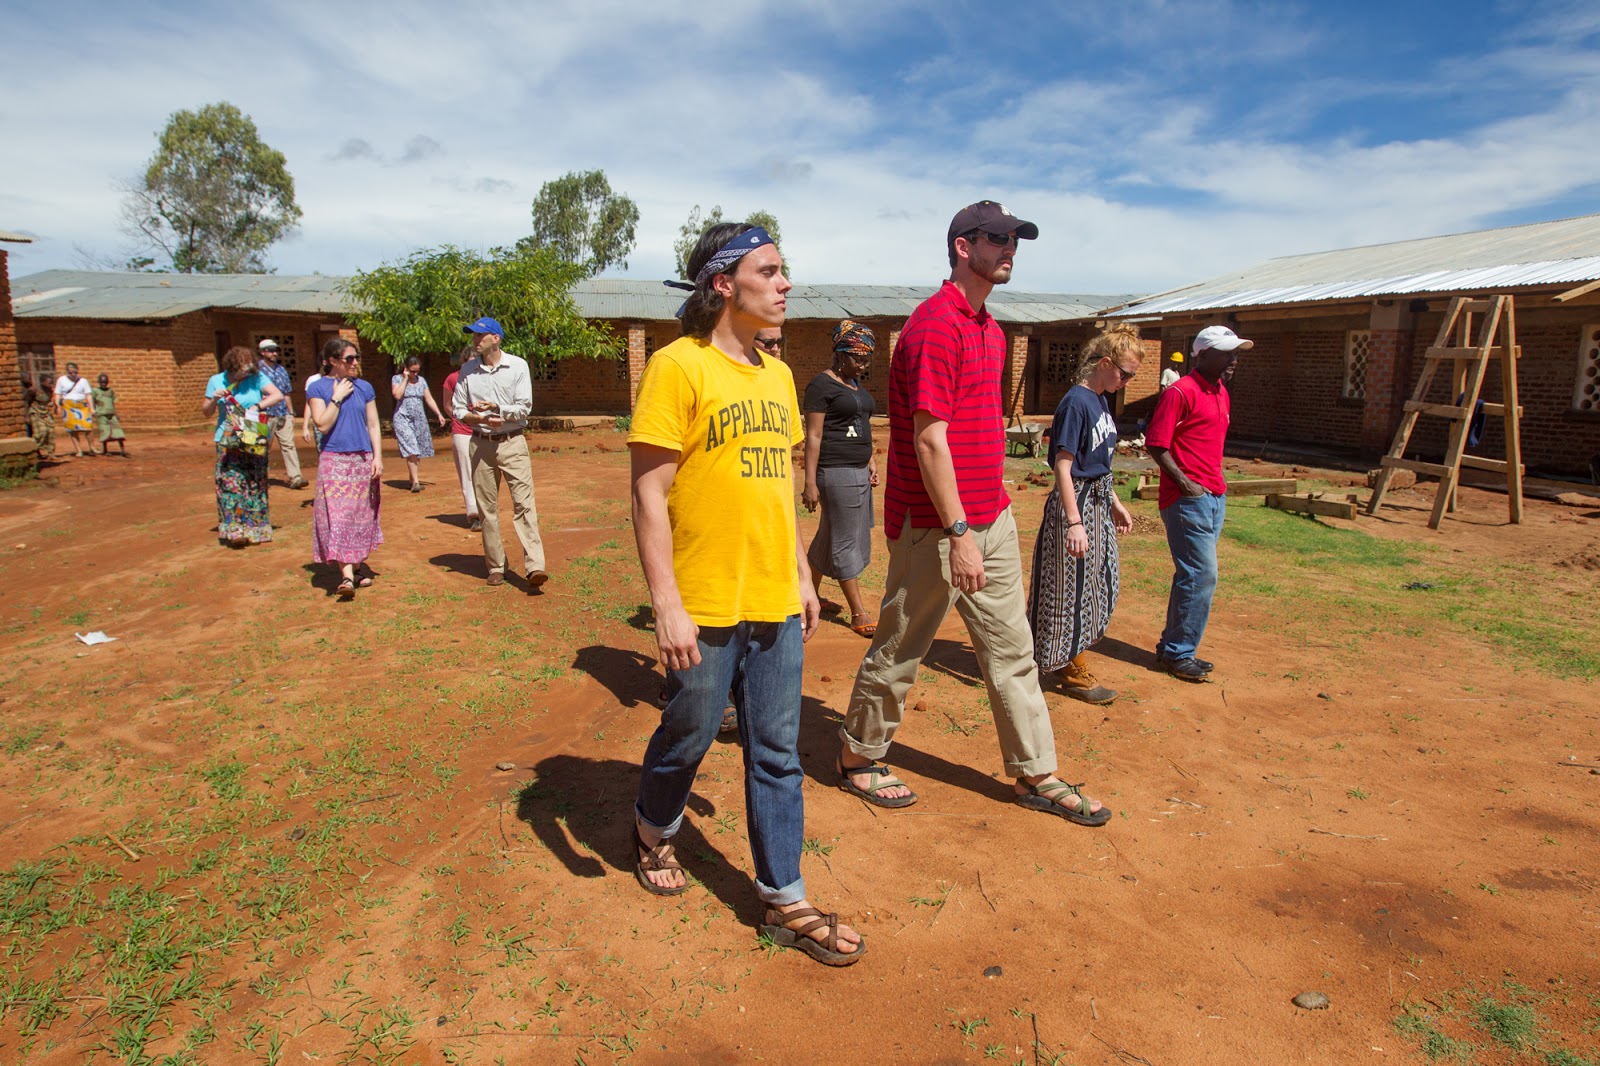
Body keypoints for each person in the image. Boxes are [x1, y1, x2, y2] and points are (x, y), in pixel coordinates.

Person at [628, 221, 863, 966]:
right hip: (702, 596)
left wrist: (798, 571)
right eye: (771, 270)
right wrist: (665, 601)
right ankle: (651, 825)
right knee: (691, 731)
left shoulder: (778, 375)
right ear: (725, 284)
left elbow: (776, 489)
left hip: (771, 596)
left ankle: (783, 897)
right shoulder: (677, 367)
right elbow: (647, 490)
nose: (786, 282)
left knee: (776, 750)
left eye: (785, 269)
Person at [836, 200, 1109, 828]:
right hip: (938, 525)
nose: (1011, 248)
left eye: (1016, 240)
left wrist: (987, 516)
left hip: (992, 518)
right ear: (964, 246)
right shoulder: (935, 325)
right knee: (903, 644)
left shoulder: (989, 327)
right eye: (998, 239)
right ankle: (857, 755)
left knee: (1013, 652)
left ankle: (1036, 774)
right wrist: (959, 530)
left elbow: (975, 431)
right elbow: (930, 440)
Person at [1027, 326, 1141, 705]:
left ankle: (1065, 656)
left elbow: (1099, 463)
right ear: (1105, 363)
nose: (1126, 382)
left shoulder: (1101, 400)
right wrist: (1074, 521)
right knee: (1066, 589)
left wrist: (1115, 503)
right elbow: (1064, 464)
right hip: (1074, 505)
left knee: (1096, 583)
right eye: (1124, 374)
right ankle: (1067, 664)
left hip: (1095, 502)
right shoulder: (1076, 402)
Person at [1145, 325, 1252, 682]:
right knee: (1201, 575)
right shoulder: (1180, 391)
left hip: (1213, 497)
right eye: (1226, 353)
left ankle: (1173, 647)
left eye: (1235, 353)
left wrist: (1212, 490)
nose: (1233, 359)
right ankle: (1179, 654)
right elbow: (1157, 444)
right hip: (1186, 499)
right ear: (1202, 354)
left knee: (1191, 576)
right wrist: (1187, 484)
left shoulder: (1220, 391)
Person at [451, 317, 548, 591]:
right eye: (472, 336)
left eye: (480, 335)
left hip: (512, 442)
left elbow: (524, 407)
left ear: (496, 338)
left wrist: (497, 409)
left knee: (523, 504)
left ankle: (535, 566)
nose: (475, 340)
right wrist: (474, 417)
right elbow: (458, 409)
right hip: (480, 443)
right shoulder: (467, 371)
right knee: (486, 508)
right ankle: (495, 565)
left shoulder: (517, 366)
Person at [801, 319, 880, 637]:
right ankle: (858, 612)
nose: (863, 365)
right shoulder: (821, 385)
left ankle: (807, 594)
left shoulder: (854, 385)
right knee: (845, 541)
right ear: (840, 353)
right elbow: (814, 435)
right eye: (857, 358)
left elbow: (861, 424)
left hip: (858, 470)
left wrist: (871, 459)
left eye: (866, 359)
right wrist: (809, 482)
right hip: (835, 473)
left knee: (829, 537)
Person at [306, 338, 384, 599]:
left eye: (356, 357)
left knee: (359, 517)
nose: (355, 363)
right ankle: (347, 576)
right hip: (334, 461)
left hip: (362, 459)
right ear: (331, 361)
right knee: (338, 518)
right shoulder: (318, 388)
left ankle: (358, 568)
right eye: (349, 359)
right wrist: (337, 398)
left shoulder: (365, 387)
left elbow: (373, 424)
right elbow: (323, 424)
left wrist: (377, 457)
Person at [203, 346, 285, 547]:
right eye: (242, 368)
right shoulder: (216, 380)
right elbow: (206, 411)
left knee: (254, 481)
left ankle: (256, 529)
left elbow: (277, 395)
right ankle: (235, 530)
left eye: (248, 368)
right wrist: (214, 398)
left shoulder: (256, 378)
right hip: (226, 436)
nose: (246, 372)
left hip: (251, 432)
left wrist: (257, 407)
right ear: (232, 366)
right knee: (230, 483)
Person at [391, 355, 447, 492]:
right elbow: (397, 395)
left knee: (418, 450)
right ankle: (415, 482)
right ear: (406, 368)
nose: (415, 374)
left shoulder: (421, 381)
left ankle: (412, 478)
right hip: (403, 418)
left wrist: (439, 414)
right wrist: (405, 379)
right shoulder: (397, 379)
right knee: (412, 448)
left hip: (419, 418)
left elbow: (429, 398)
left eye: (417, 371)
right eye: (412, 371)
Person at [257, 339, 307, 489]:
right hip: (263, 415)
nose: (274, 353)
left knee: (288, 445)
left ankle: (295, 477)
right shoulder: (256, 371)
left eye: (276, 350)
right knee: (262, 446)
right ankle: (260, 478)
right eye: (271, 350)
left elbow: (286, 393)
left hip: (282, 413)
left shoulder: (281, 370)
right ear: (262, 352)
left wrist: (291, 413)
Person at [442, 349, 482, 531]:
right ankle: (474, 514)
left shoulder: (483, 377)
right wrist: (461, 417)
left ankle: (485, 510)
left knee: (483, 472)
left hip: (482, 430)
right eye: (470, 361)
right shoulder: (453, 379)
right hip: (462, 431)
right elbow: (447, 405)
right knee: (467, 471)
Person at [52, 363, 94, 458]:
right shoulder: (61, 380)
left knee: (88, 427)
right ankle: (79, 450)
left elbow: (88, 395)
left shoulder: (83, 381)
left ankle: (92, 447)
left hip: (82, 405)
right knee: (72, 429)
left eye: (75, 372)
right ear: (67, 372)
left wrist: (91, 408)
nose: (73, 374)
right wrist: (57, 405)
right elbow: (58, 393)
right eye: (71, 372)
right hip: (69, 405)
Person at [302, 349, 333, 451]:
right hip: (320, 421)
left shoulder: (340, 379)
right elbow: (308, 405)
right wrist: (305, 426)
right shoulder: (313, 380)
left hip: (336, 420)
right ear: (324, 362)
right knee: (323, 451)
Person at [90, 374, 128, 455]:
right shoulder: (95, 391)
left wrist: (116, 413)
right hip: (101, 414)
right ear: (99, 382)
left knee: (118, 431)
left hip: (111, 414)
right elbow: (92, 401)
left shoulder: (110, 391)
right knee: (104, 432)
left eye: (105, 382)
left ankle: (122, 449)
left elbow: (112, 403)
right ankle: (105, 450)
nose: (104, 384)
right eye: (102, 382)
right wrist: (93, 411)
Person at [27, 376, 55, 459]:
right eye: (49, 382)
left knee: (51, 432)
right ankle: (35, 450)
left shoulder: (50, 390)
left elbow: (49, 401)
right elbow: (26, 402)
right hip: (36, 412)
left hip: (45, 412)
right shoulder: (33, 390)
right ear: (43, 382)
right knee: (42, 432)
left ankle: (50, 452)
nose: (51, 384)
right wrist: (26, 415)